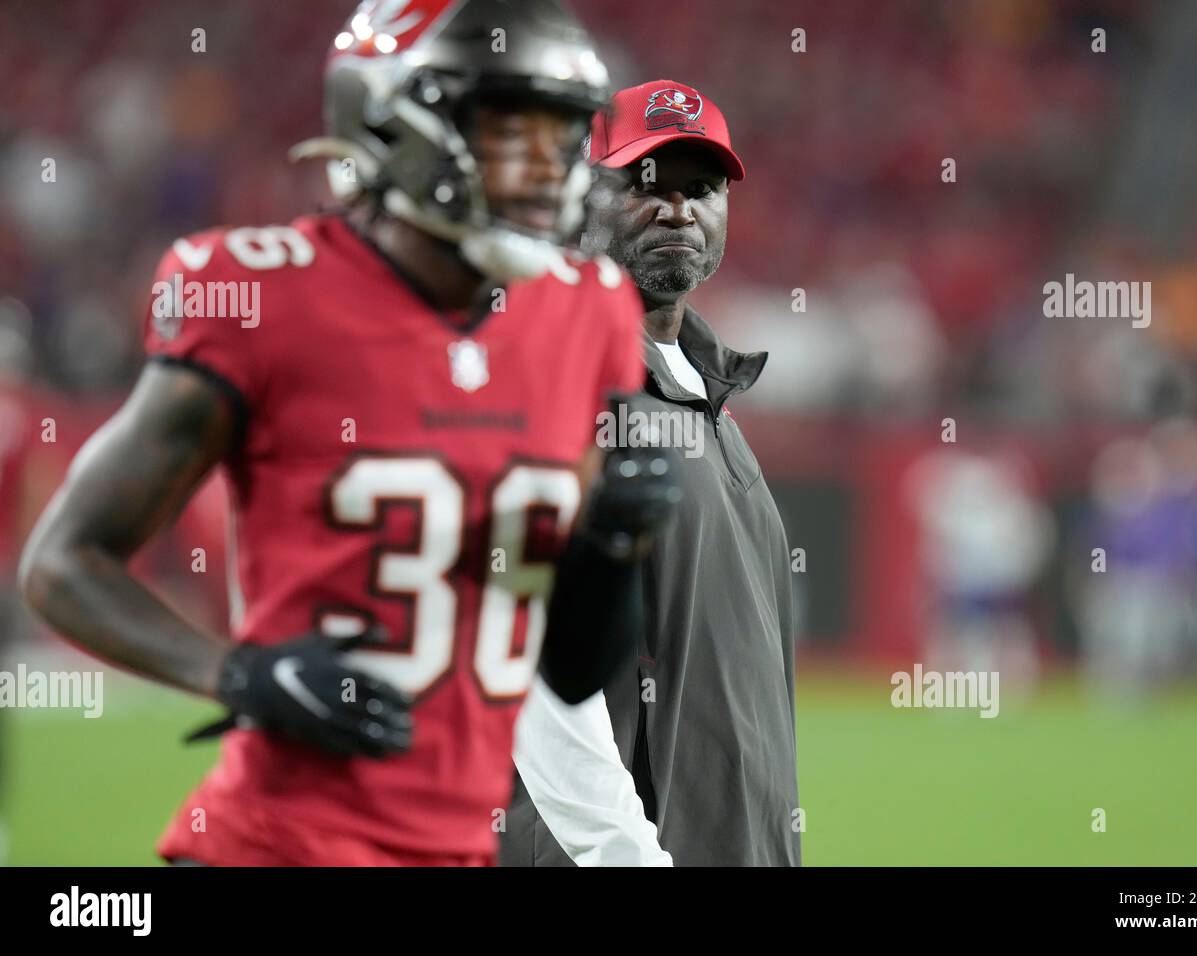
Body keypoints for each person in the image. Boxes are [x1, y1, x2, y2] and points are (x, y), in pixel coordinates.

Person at [19, 0, 680, 867]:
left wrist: (614, 545)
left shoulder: (585, 311)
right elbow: (63, 562)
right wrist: (238, 675)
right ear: (393, 119)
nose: (548, 169)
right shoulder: (261, 295)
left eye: (562, 136)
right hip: (272, 848)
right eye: (511, 128)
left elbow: (570, 668)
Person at [503, 80, 801, 866]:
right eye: (643, 185)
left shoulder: (707, 392)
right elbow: (526, 663)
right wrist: (625, 856)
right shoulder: (557, 381)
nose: (678, 210)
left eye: (700, 189)